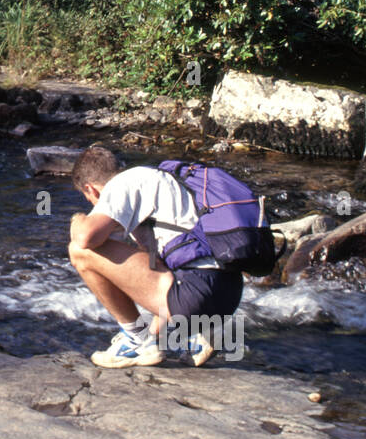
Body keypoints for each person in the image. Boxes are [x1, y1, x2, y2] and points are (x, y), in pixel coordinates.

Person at [67, 144, 245, 369]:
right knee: (152, 262)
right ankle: (204, 333)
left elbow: (85, 238)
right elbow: (155, 272)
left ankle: (134, 340)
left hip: (196, 292)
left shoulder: (121, 185)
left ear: (90, 189)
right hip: (228, 292)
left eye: (89, 199)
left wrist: (78, 219)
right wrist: (155, 339)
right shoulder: (159, 181)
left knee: (80, 251)